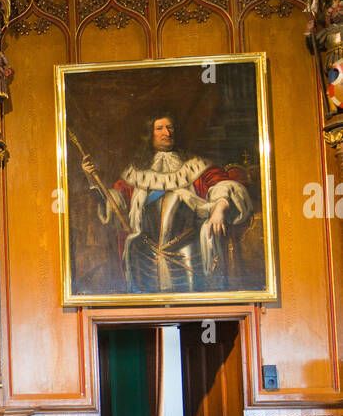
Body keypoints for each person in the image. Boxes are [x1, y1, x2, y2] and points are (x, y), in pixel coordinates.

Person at [81, 112, 253, 292]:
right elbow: (116, 203)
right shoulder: (136, 172)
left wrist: (219, 208)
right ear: (150, 134)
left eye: (170, 127)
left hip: (189, 253)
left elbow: (224, 185)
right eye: (159, 128)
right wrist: (91, 178)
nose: (167, 133)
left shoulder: (195, 166)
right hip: (146, 257)